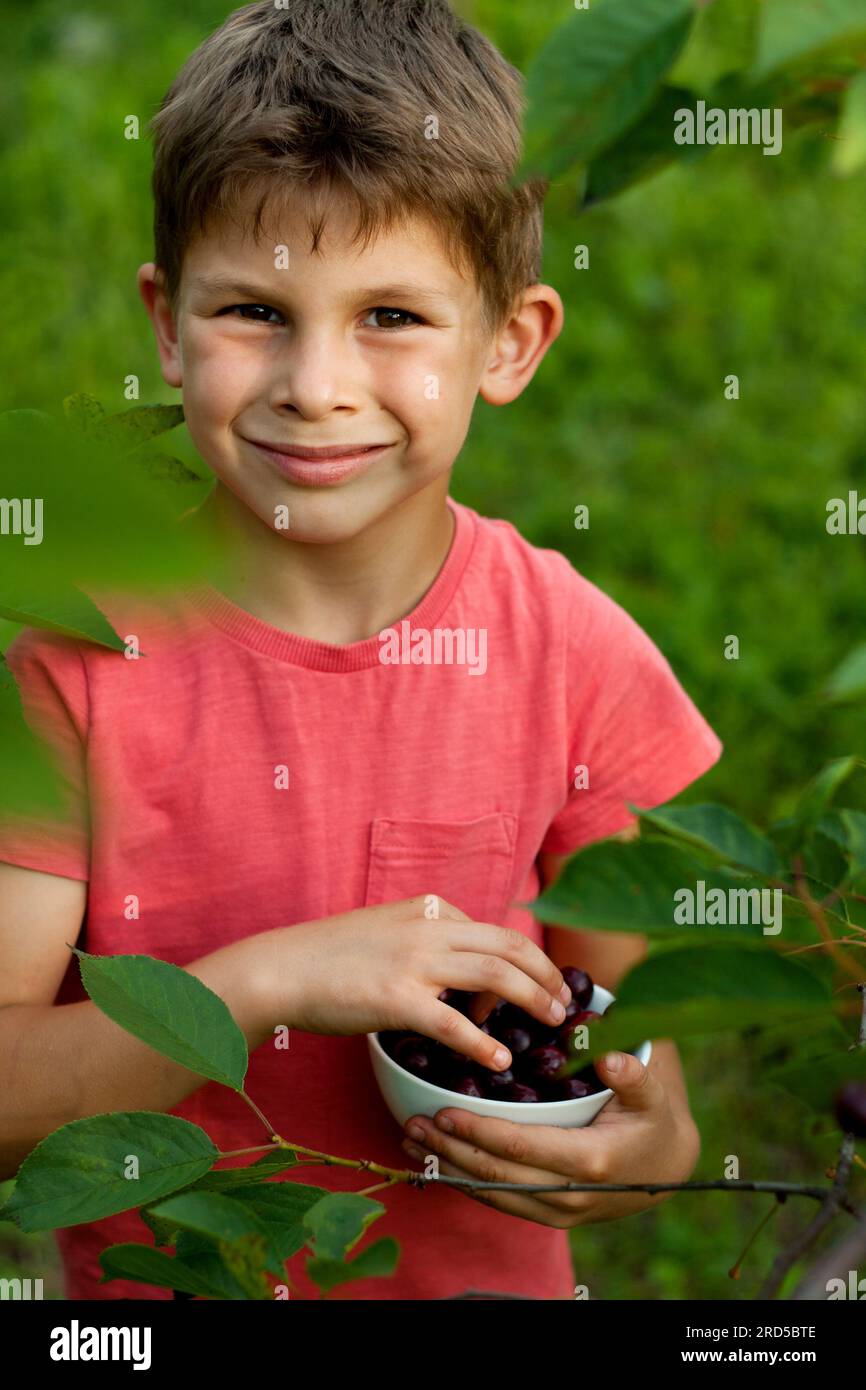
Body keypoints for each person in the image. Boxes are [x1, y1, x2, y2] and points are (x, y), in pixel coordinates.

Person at [0, 0, 722, 1300]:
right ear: (165, 324)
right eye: (253, 312)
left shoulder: (573, 656)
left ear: (509, 342)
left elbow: (634, 1045)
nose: (315, 383)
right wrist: (261, 980)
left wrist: (652, 1145)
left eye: (390, 315)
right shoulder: (79, 663)